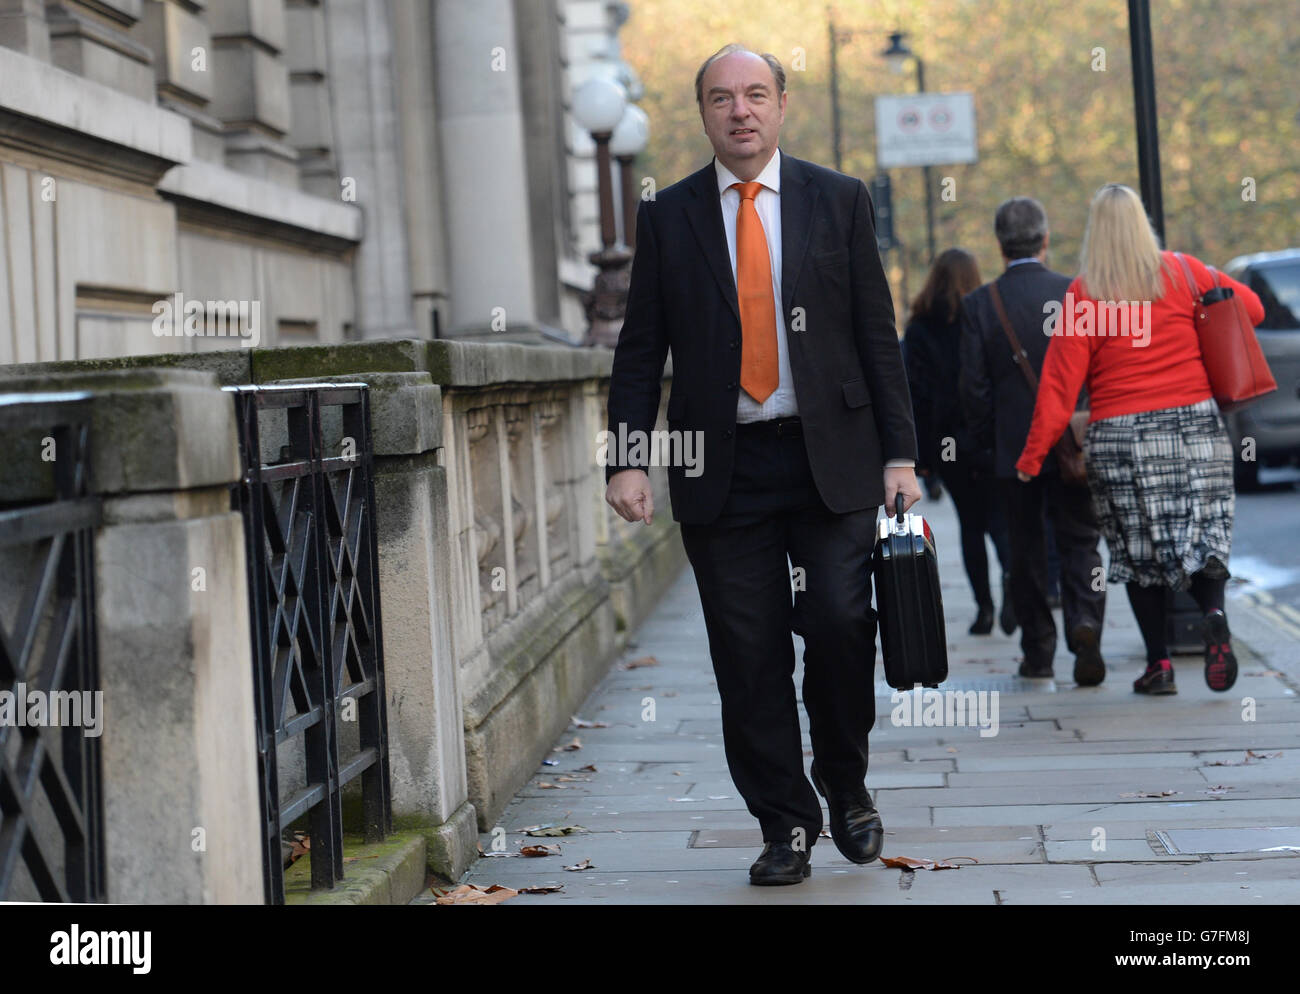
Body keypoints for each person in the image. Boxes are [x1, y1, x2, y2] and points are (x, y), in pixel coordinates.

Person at [604, 44, 920, 886]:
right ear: (703, 114)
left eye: (754, 95)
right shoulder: (668, 217)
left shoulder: (839, 199)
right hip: (724, 471)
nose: (738, 111)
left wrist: (901, 454)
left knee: (844, 628)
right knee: (747, 659)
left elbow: (876, 336)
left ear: (781, 104)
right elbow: (640, 352)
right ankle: (784, 823)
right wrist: (629, 460)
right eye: (720, 98)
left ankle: (845, 783)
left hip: (834, 464)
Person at [1017, 183, 1264, 694]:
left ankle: (1160, 667)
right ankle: (1214, 611)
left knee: (1137, 553)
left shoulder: (1085, 293)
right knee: (1204, 537)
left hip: (1121, 436)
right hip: (1195, 426)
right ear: (1142, 224)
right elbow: (1253, 310)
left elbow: (1059, 386)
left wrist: (1033, 455)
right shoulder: (1185, 271)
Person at [959, 197, 1108, 684]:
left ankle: (1038, 654)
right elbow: (1099, 371)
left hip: (1013, 451)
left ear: (1000, 246)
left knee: (1024, 553)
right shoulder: (1077, 293)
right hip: (1074, 445)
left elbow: (974, 390)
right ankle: (1085, 622)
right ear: (1045, 240)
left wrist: (983, 450)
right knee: (1082, 543)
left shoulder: (981, 305)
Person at [903, 248, 1015, 636]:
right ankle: (1012, 584)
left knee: (971, 523)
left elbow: (913, 394)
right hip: (987, 436)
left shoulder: (920, 328)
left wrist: (921, 456)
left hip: (947, 440)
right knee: (999, 520)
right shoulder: (985, 317)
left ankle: (984, 608)